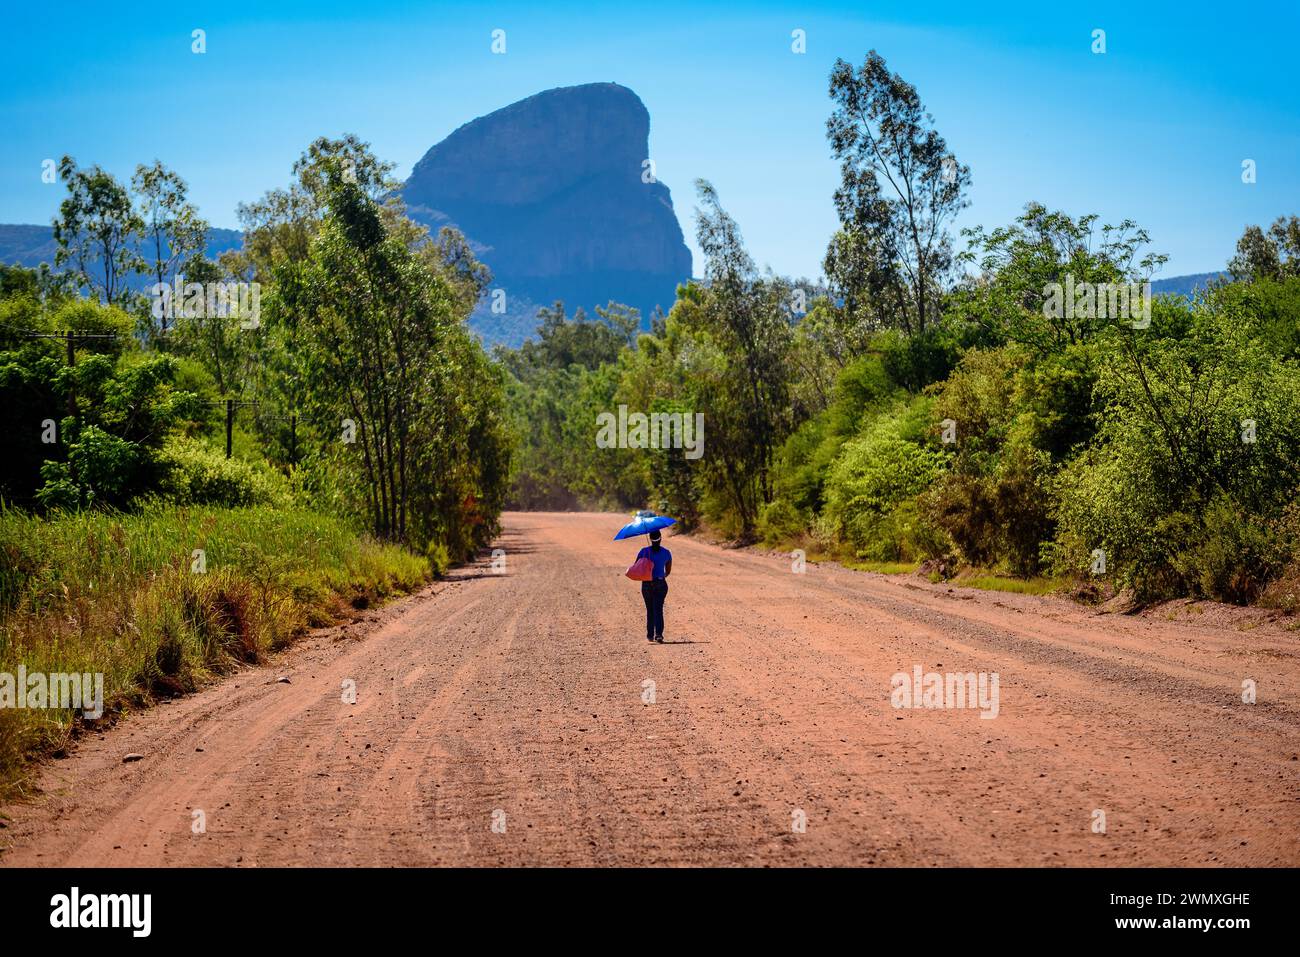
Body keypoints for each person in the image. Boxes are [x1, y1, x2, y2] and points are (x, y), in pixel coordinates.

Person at [636, 529, 672, 643]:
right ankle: (659, 635)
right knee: (658, 609)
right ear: (660, 538)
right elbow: (668, 571)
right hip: (660, 583)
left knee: (650, 609)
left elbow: (637, 567)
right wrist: (661, 576)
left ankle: (650, 635)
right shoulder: (666, 552)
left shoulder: (643, 551)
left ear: (650, 539)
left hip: (646, 584)